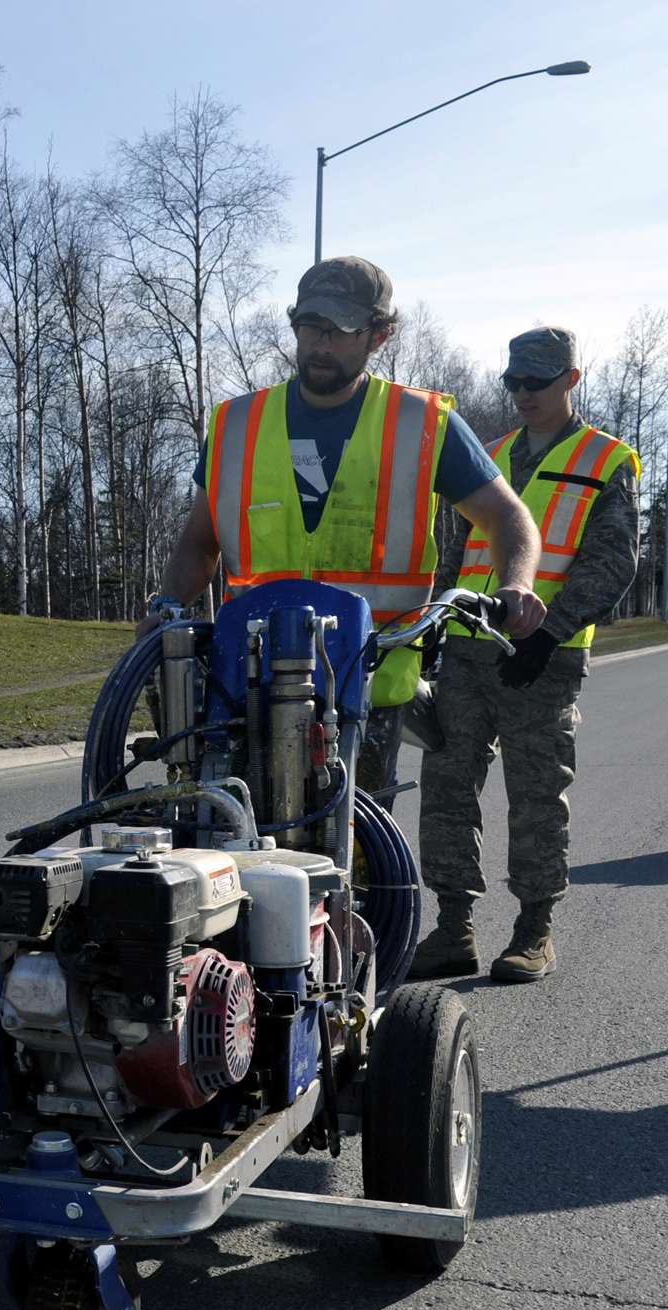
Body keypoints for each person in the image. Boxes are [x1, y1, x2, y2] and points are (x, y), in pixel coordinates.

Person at [135, 255, 545, 808]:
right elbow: (198, 541)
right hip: (249, 678)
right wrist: (168, 602)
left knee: (358, 857)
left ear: (380, 335)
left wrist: (518, 582)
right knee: (237, 840)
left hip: (369, 681)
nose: (321, 344)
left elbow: (507, 517)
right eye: (310, 327)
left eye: (341, 331)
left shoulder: (421, 424)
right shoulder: (236, 425)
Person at [411, 325, 640, 983]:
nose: (521, 393)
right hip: (466, 650)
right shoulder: (489, 454)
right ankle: (453, 926)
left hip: (544, 655)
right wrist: (435, 622)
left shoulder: (606, 459)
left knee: (538, 794)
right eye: (513, 381)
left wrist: (550, 633)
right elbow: (456, 549)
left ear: (570, 380)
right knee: (448, 787)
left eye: (535, 382)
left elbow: (611, 561)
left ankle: (534, 931)